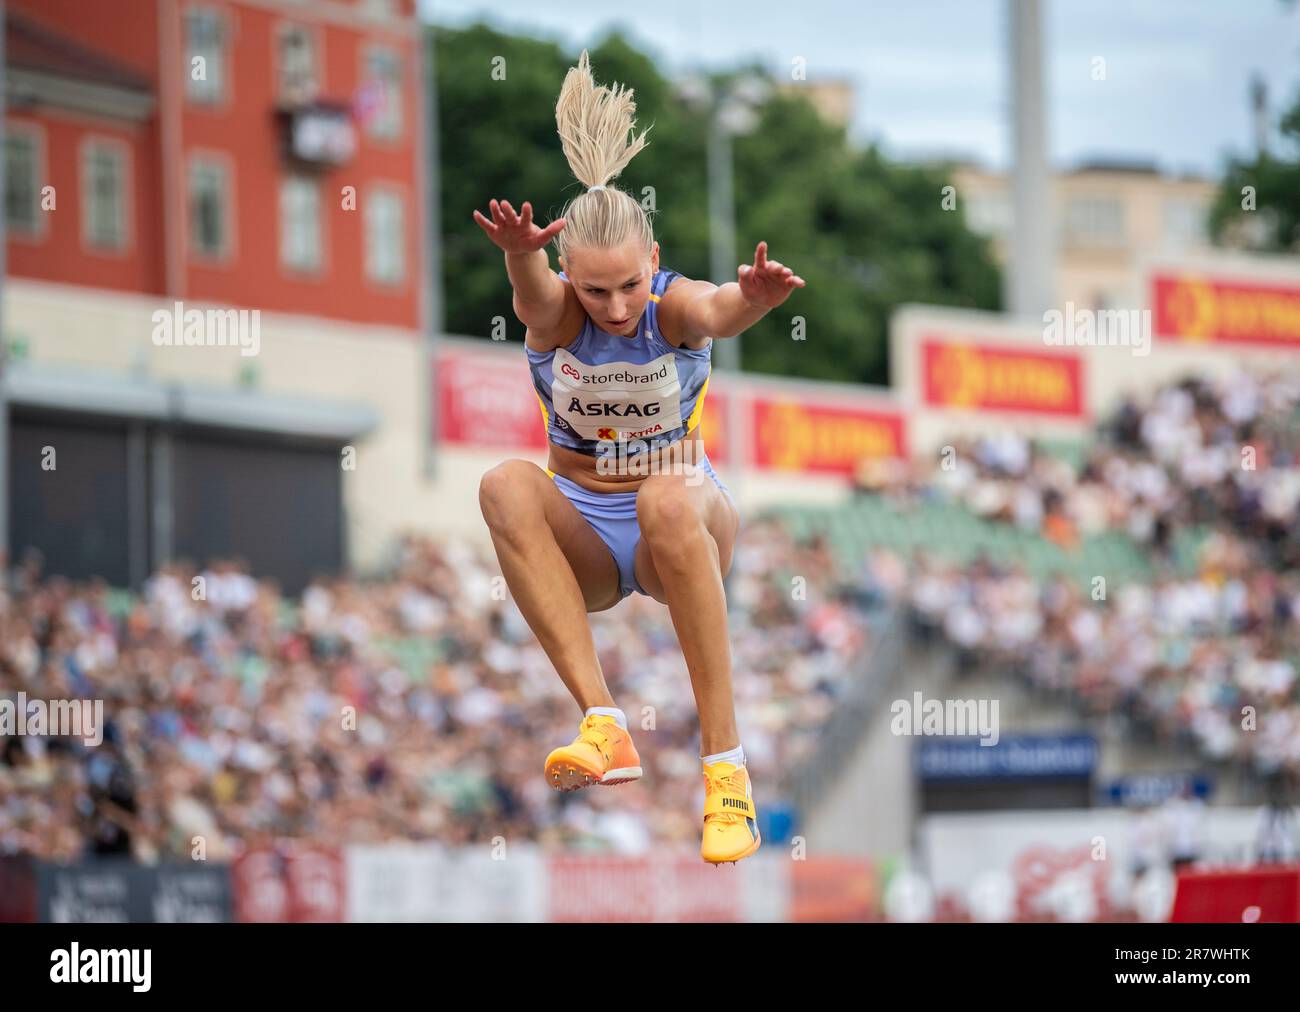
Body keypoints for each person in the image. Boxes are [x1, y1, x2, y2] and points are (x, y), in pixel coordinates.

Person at [473, 50, 805, 864]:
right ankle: (604, 725)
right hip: (586, 529)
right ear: (569, 277)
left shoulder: (674, 305)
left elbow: (719, 309)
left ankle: (726, 776)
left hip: (682, 523)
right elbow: (532, 295)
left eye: (628, 285)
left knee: (662, 493)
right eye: (595, 291)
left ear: (652, 260)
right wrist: (521, 253)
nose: (616, 308)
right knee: (504, 485)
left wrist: (753, 301)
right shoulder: (556, 315)